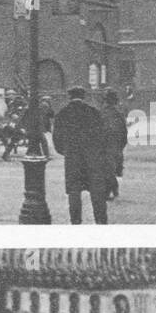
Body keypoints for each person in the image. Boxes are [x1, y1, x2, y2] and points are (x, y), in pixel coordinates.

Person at [51, 86, 111, 224]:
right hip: (92, 158)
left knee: (74, 192)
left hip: (73, 159)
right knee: (97, 193)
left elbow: (57, 140)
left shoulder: (63, 114)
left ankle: (76, 222)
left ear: (70, 97)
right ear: (83, 96)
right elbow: (103, 135)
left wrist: (66, 151)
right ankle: (101, 222)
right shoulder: (93, 112)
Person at [100, 89, 128, 200]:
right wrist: (120, 146)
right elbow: (123, 133)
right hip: (114, 146)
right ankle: (112, 189)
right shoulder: (118, 114)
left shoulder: (100, 113)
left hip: (104, 146)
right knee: (111, 169)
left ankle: (109, 190)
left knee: (106, 169)